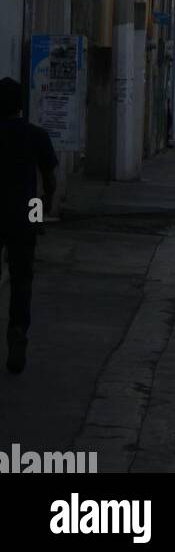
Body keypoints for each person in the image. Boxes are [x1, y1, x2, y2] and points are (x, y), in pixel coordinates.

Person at [0, 77, 57, 374]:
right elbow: (49, 180)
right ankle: (18, 329)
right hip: (25, 215)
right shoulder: (36, 135)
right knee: (22, 278)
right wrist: (43, 208)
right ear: (21, 106)